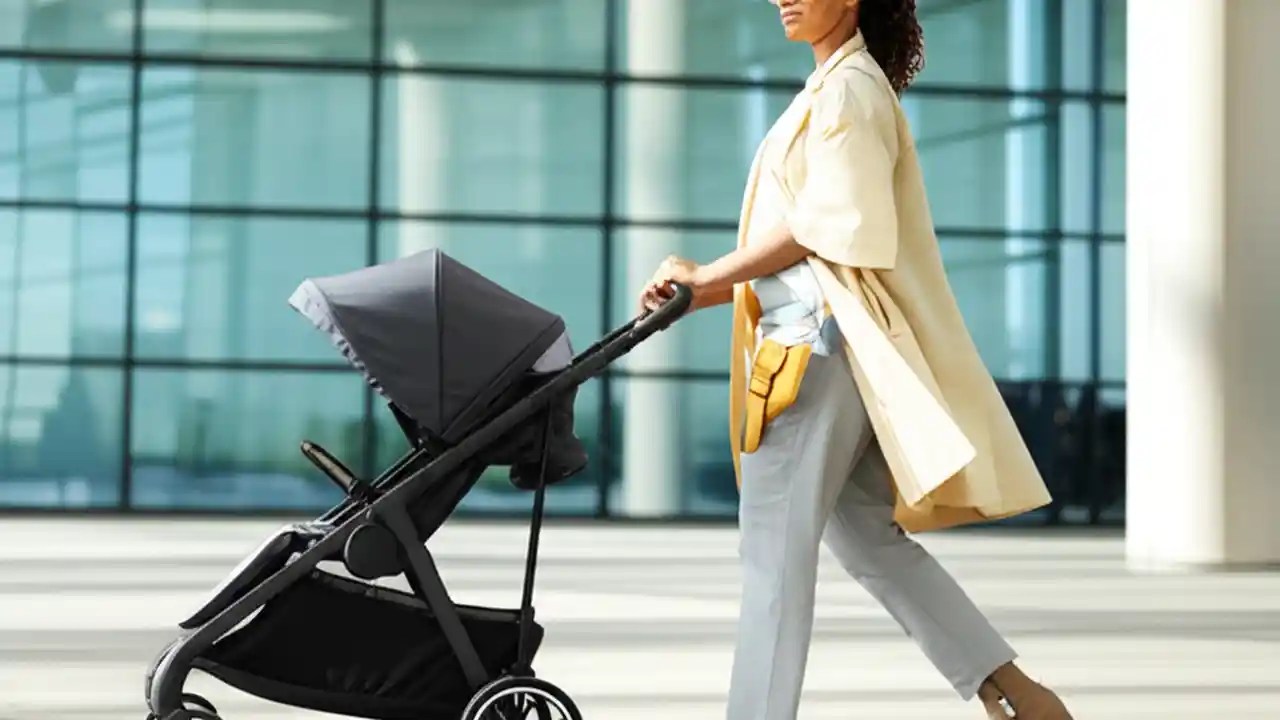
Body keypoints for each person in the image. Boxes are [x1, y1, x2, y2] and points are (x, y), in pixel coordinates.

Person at [638, 1, 1076, 719]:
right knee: (871, 542)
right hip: (834, 352)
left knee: (773, 566)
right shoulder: (839, 87)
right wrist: (702, 287)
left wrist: (710, 276)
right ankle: (1020, 696)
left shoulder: (849, 90)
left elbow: (829, 228)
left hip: (812, 357)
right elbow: (812, 247)